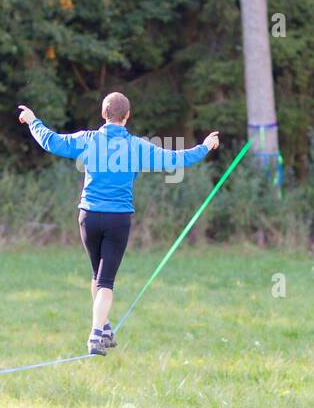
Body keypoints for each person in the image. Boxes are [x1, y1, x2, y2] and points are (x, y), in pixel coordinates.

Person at [18, 92, 219, 355]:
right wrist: (204, 146)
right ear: (127, 116)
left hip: (88, 217)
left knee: (96, 275)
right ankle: (95, 335)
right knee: (106, 283)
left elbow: (51, 141)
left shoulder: (88, 140)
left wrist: (33, 120)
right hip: (117, 220)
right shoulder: (137, 146)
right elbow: (175, 160)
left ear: (104, 114)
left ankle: (104, 326)